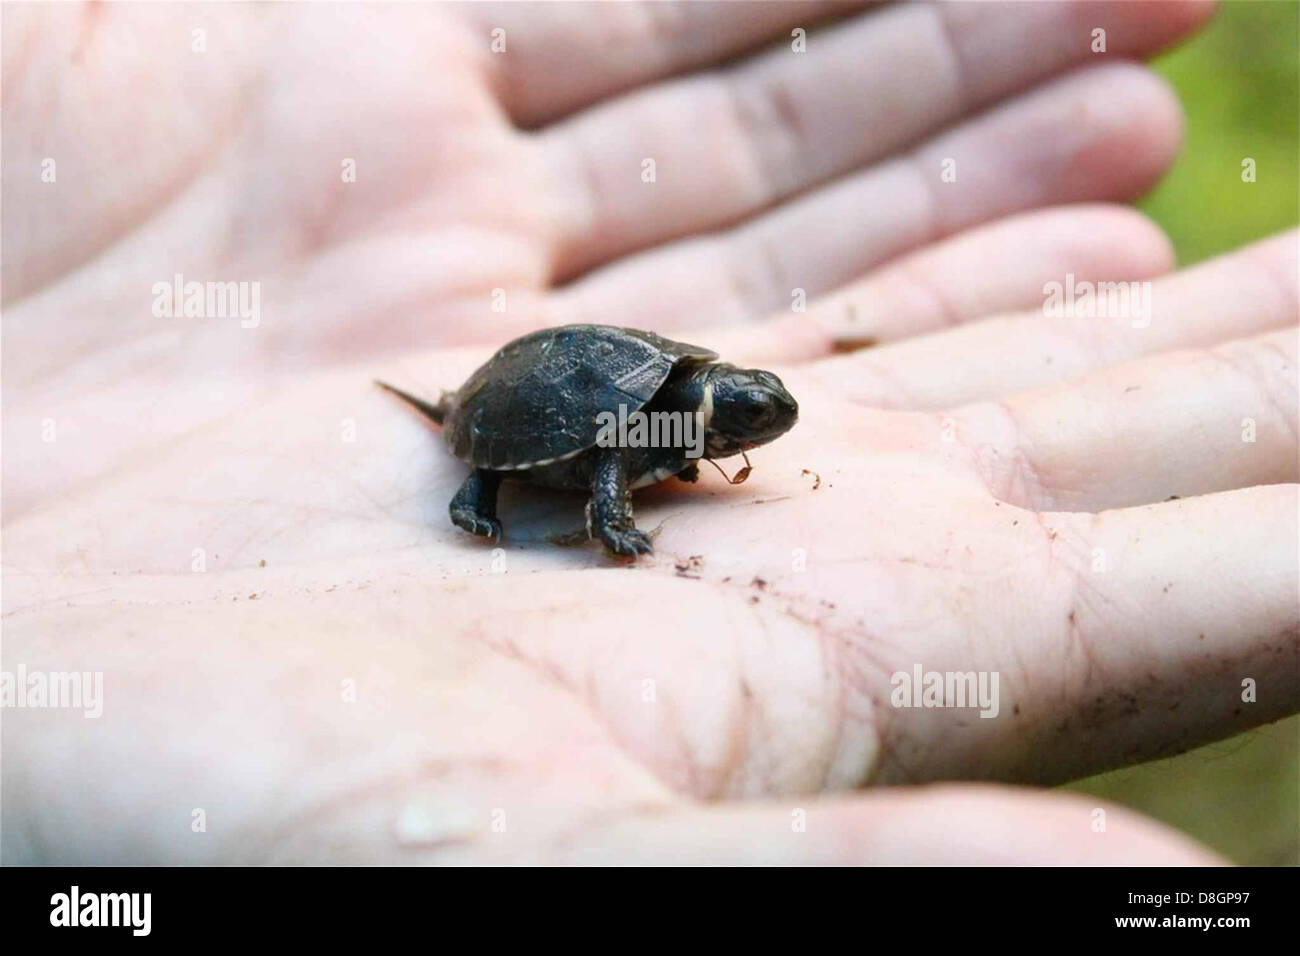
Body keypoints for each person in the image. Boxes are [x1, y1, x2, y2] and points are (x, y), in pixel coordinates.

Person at [4, 1, 1292, 863]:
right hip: (512, 402)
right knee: (494, 470)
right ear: (701, 407)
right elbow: (604, 442)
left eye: (751, 414)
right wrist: (603, 513)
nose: (756, 426)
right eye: (744, 416)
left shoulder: (699, 392)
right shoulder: (638, 417)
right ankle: (476, 499)